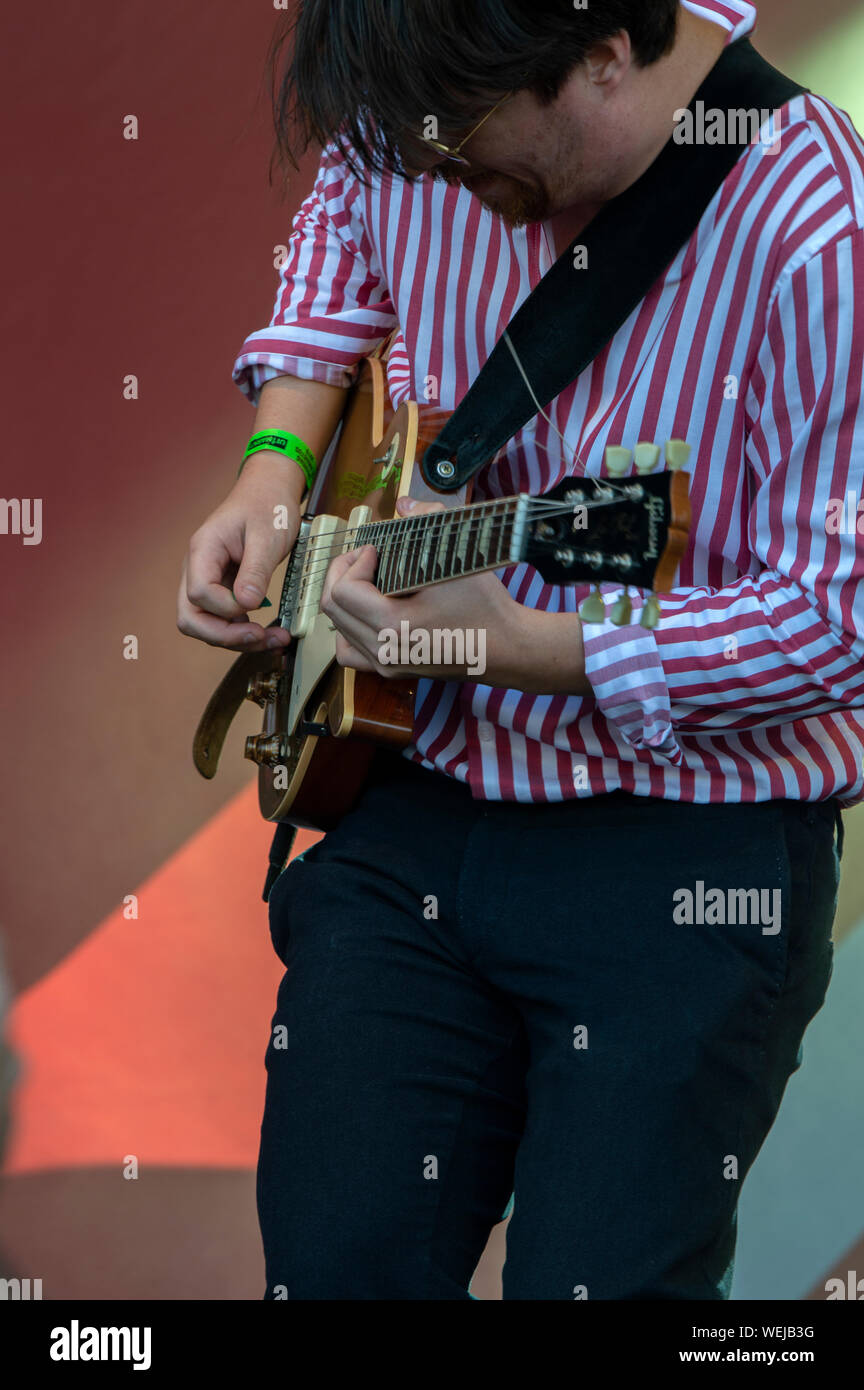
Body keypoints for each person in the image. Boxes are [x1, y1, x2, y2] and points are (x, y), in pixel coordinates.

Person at [177, 0, 863, 1299]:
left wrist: (533, 648)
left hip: (682, 863)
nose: (430, 174)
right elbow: (344, 218)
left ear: (606, 50)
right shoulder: (432, 92)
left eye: (464, 151)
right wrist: (275, 466)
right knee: (334, 1271)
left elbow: (844, 620)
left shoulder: (822, 227)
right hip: (408, 807)